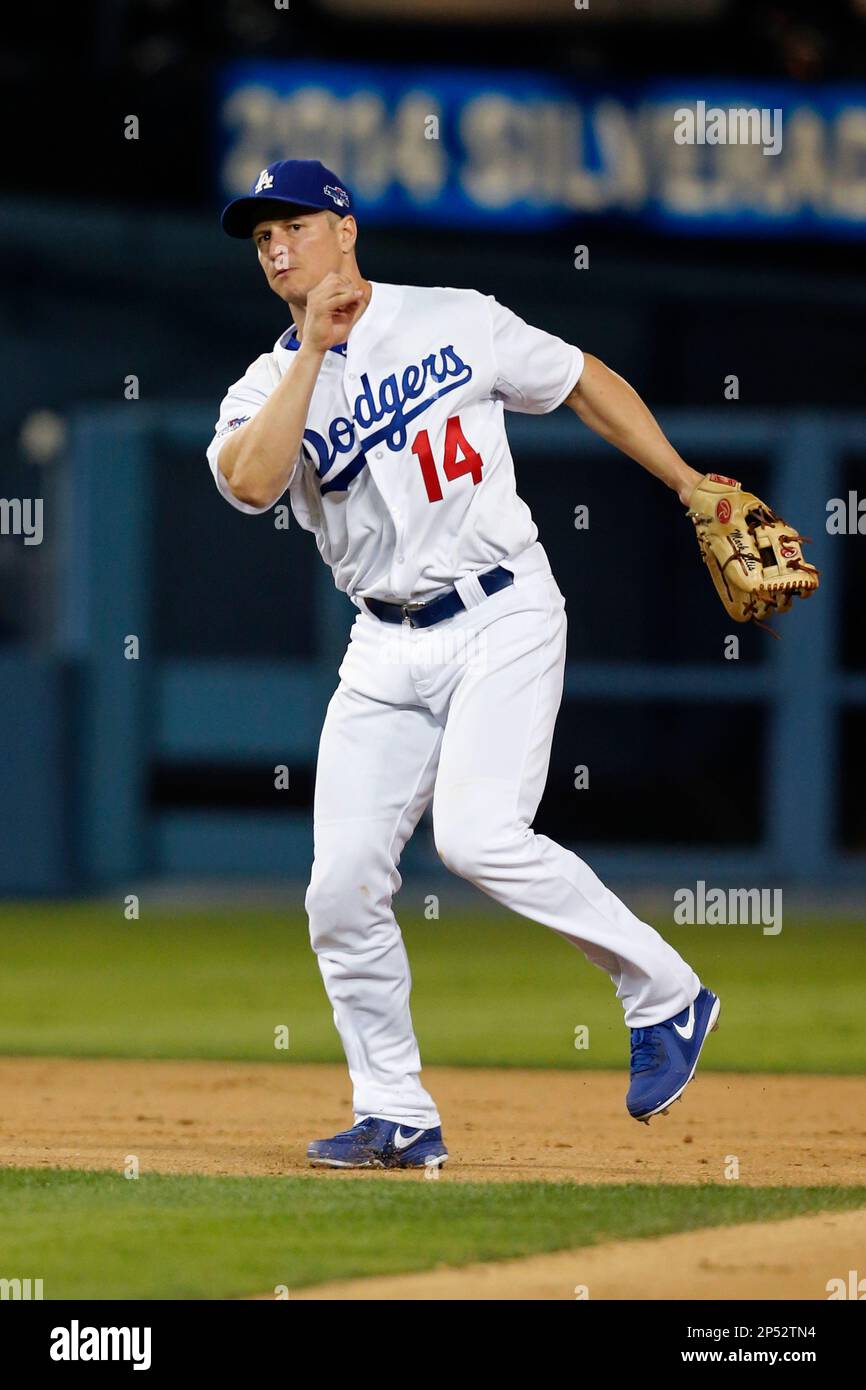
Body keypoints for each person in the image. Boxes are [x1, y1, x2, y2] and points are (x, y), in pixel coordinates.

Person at [208, 159, 720, 1171]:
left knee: (479, 836)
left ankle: (664, 993)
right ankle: (394, 1111)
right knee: (340, 888)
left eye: (292, 226)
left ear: (344, 228)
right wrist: (312, 349)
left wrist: (684, 482)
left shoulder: (455, 318)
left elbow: (583, 382)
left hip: (502, 611)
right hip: (383, 645)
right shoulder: (266, 385)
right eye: (260, 236)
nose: (274, 247)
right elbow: (253, 481)